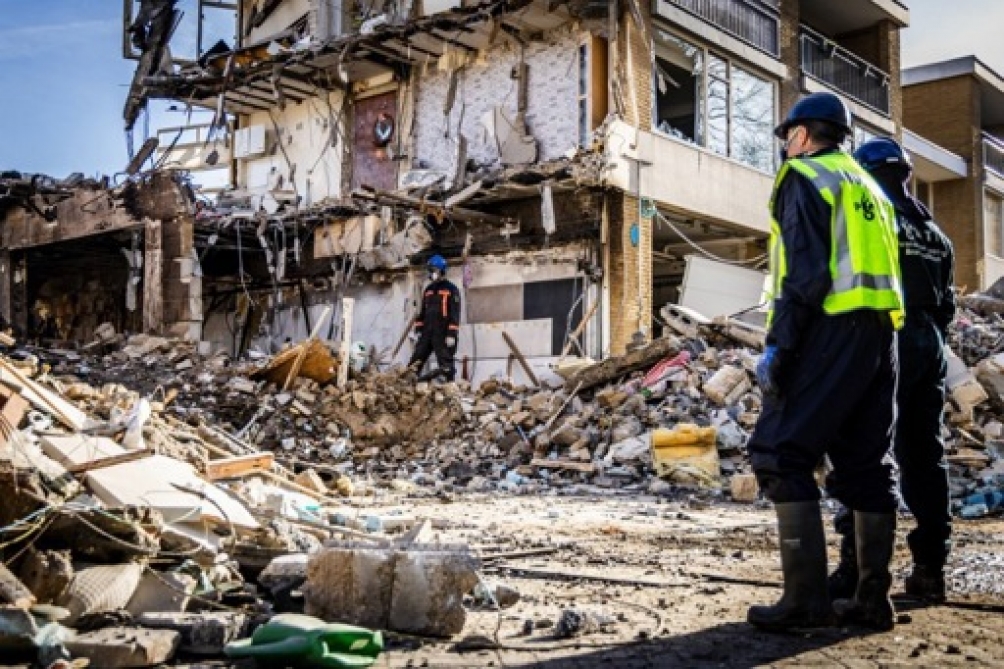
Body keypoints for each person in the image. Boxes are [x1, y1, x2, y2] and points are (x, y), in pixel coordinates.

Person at [748, 92, 905, 632]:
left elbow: (805, 273)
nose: (785, 145)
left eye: (787, 135)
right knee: (865, 465)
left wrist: (779, 346)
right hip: (881, 335)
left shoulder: (805, 177)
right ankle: (870, 600)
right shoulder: (869, 187)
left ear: (802, 134)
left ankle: (805, 602)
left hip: (829, 325)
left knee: (779, 451)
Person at [827, 137, 956, 603]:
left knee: (865, 447)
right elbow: (948, 306)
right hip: (929, 344)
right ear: (904, 173)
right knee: (925, 454)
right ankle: (930, 568)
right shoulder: (936, 234)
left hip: (885, 336)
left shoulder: (872, 217)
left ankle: (856, 567)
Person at [409, 254, 461, 382]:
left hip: (443, 334)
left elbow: (455, 313)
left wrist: (451, 334)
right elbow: (422, 312)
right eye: (430, 270)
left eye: (433, 270)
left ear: (441, 270)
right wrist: (418, 330)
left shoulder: (451, 289)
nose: (431, 273)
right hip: (427, 332)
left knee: (446, 365)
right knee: (415, 361)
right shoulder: (428, 290)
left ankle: (450, 388)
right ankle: (408, 385)